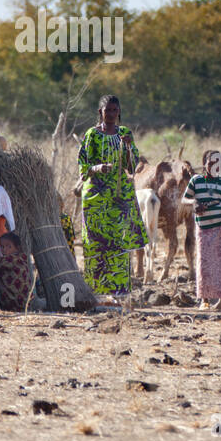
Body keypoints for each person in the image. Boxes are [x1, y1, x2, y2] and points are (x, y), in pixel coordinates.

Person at [77, 95, 148, 301]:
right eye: (107, 110)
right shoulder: (92, 135)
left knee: (119, 242)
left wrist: (126, 147)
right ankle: (96, 293)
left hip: (119, 197)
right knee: (96, 243)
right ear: (100, 112)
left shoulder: (125, 133)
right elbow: (83, 166)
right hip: (96, 198)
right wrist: (98, 168)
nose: (111, 114)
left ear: (119, 112)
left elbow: (132, 166)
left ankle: (119, 293)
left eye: (115, 110)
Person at [183, 150, 221, 310]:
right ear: (204, 163)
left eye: (217, 162)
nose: (214, 165)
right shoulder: (196, 180)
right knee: (204, 264)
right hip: (203, 229)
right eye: (211, 161)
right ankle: (205, 300)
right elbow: (184, 198)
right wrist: (194, 203)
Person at [0, 231, 33, 312]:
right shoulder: (22, 257)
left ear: (17, 248)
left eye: (9, 247)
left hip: (13, 304)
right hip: (25, 302)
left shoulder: (10, 259)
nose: (4, 250)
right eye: (2, 247)